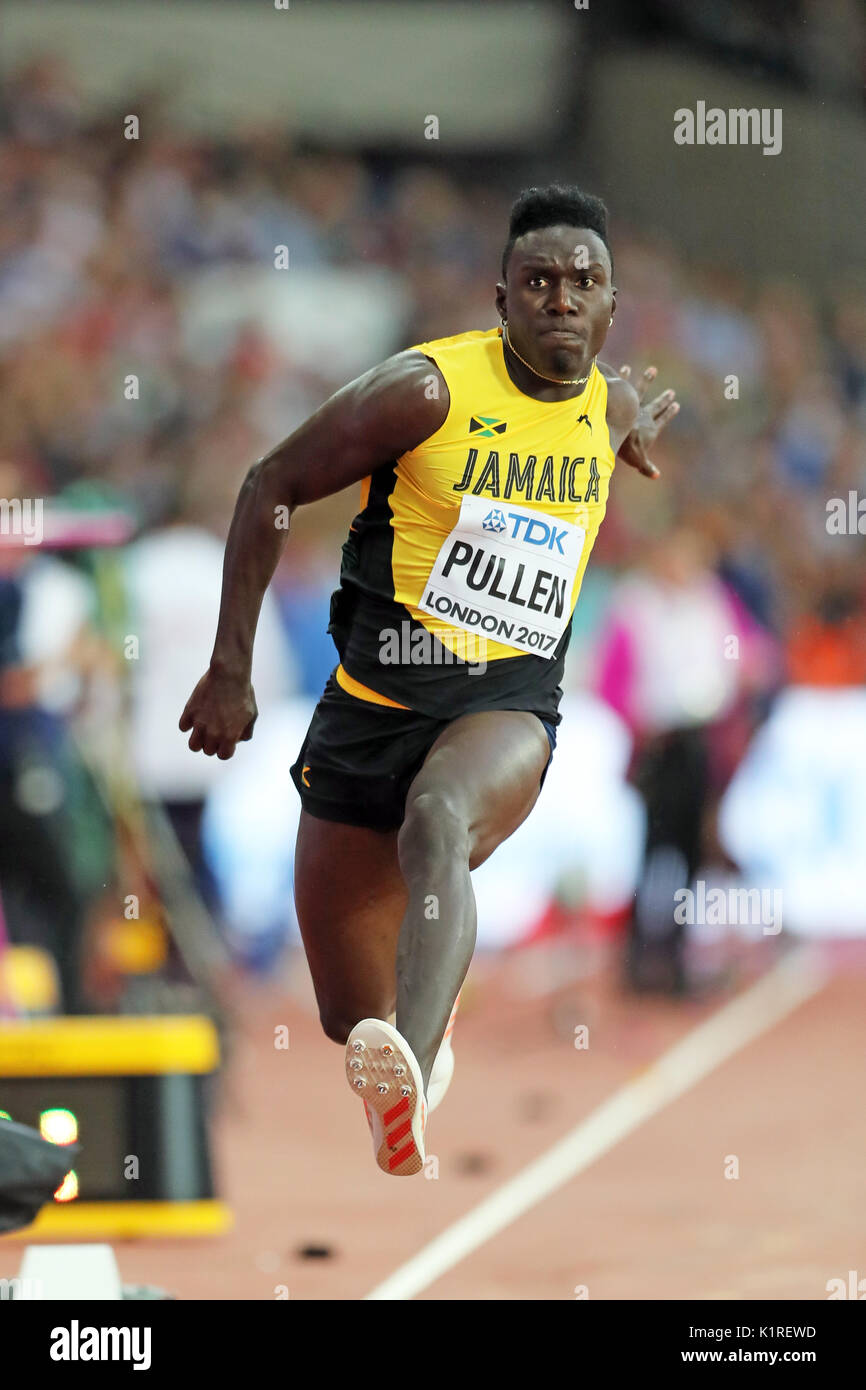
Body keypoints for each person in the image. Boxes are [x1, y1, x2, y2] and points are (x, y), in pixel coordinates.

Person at [179, 184, 679, 1175]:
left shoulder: (609, 400)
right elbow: (267, 484)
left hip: (502, 705)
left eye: (584, 282)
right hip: (368, 710)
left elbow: (594, 427)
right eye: (538, 281)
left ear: (611, 306)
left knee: (439, 818)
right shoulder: (425, 392)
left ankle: (408, 1054)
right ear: (500, 300)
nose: (562, 299)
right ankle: (411, 1041)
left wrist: (623, 442)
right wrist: (229, 664)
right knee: (340, 1013)